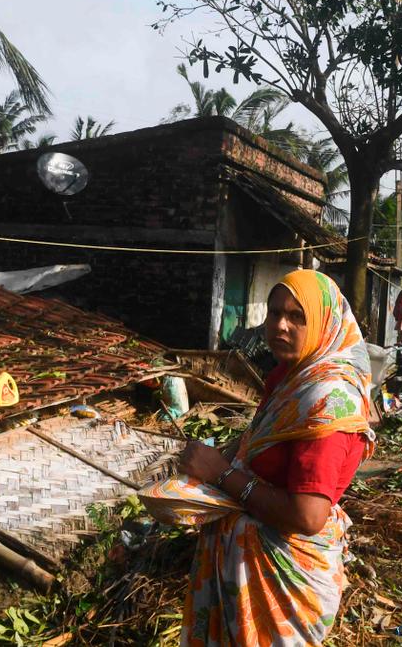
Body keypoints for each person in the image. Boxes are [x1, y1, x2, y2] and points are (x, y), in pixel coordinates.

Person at [142, 270, 375, 646]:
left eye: (297, 316)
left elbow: (307, 516)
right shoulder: (288, 377)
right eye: (273, 312)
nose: (280, 325)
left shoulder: (326, 402)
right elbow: (258, 440)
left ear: (324, 323)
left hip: (284, 576)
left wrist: (220, 474)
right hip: (249, 566)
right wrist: (222, 460)